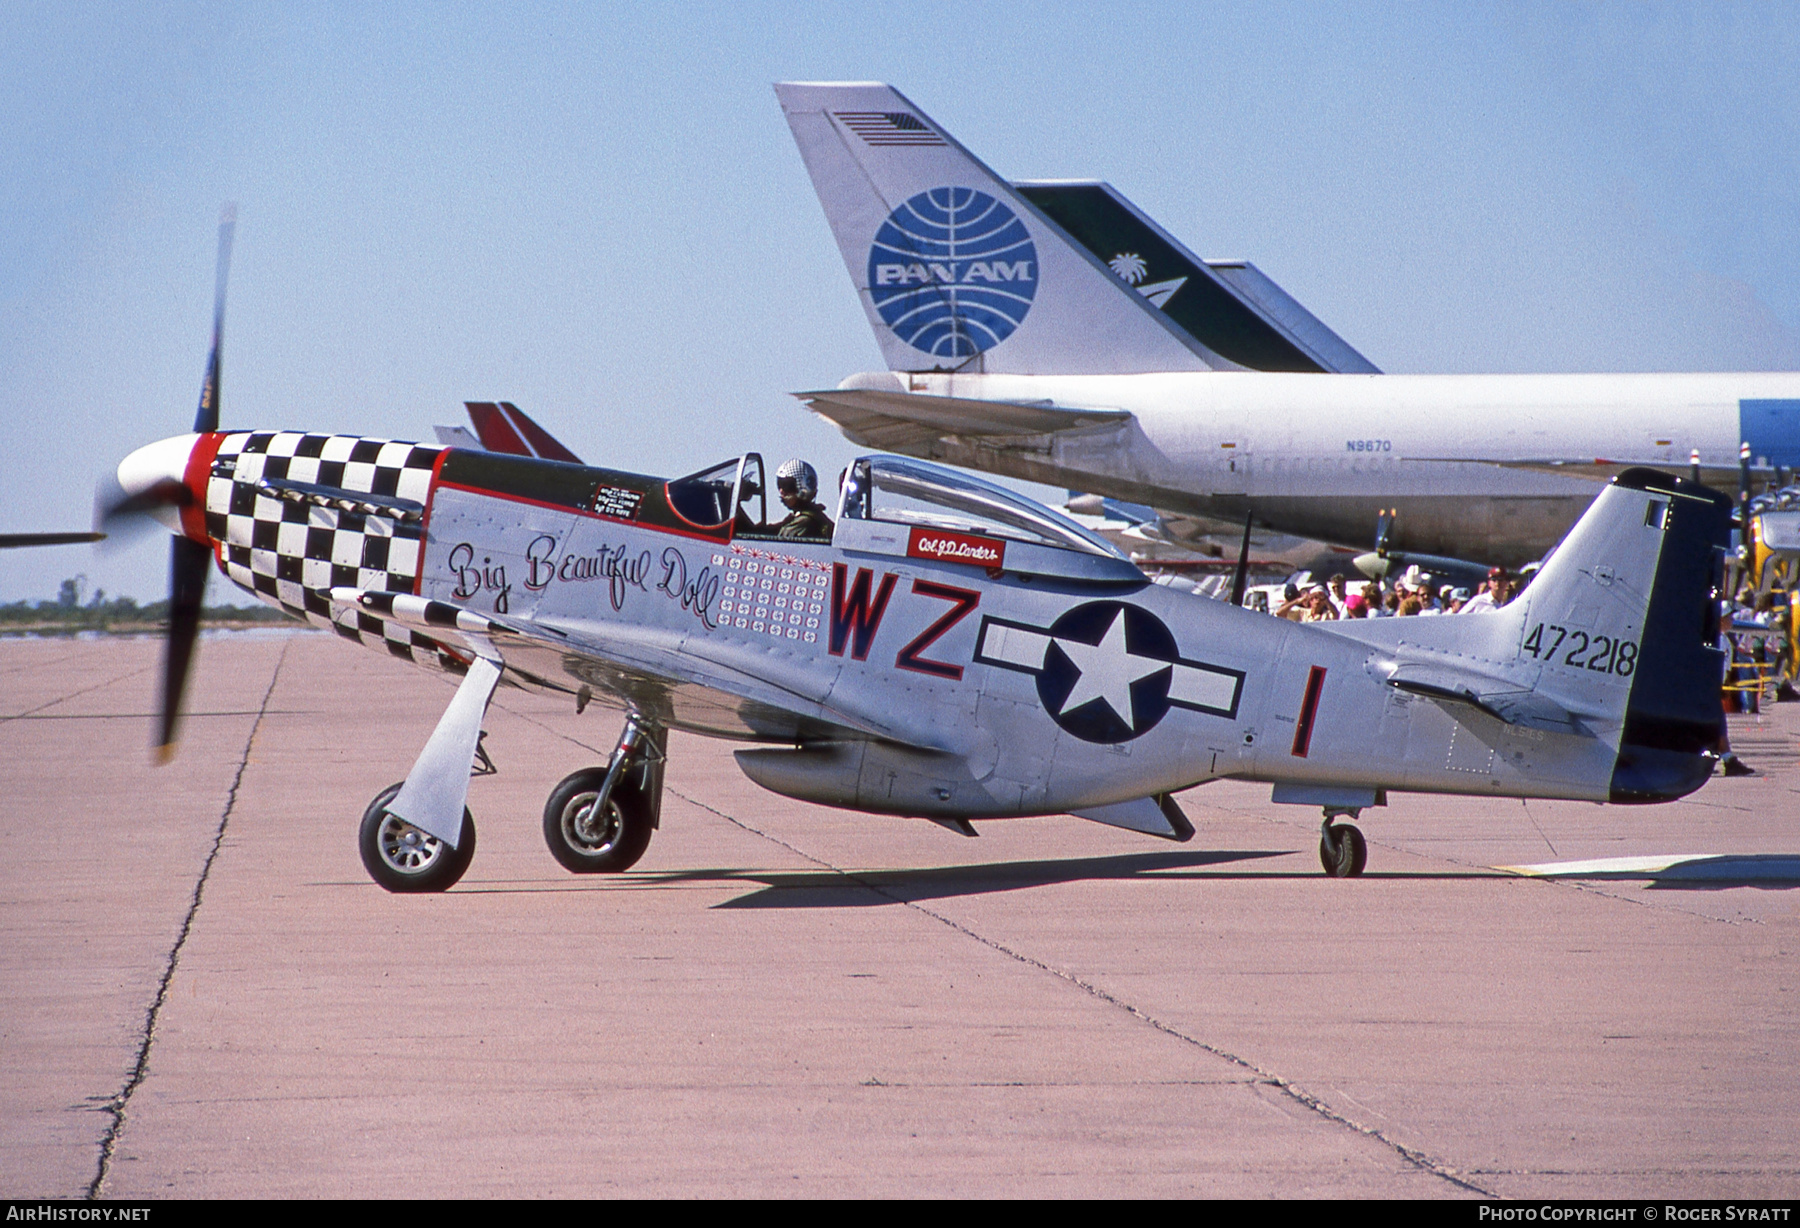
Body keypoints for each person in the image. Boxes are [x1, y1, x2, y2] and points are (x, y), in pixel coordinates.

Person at [773, 459, 834, 541]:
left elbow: (778, 544)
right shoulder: (814, 516)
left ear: (802, 487)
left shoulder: (804, 522)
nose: (781, 491)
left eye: (787, 486)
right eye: (779, 485)